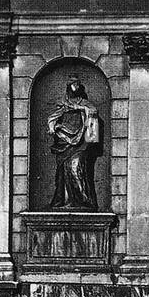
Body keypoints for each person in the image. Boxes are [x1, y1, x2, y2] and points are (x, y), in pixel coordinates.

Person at [47, 80, 101, 209]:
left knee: (75, 167)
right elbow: (53, 118)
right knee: (62, 172)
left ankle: (83, 201)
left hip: (81, 142)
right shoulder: (63, 104)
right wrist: (53, 127)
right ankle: (65, 201)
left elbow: (93, 112)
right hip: (64, 141)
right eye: (72, 87)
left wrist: (80, 108)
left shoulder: (85, 104)